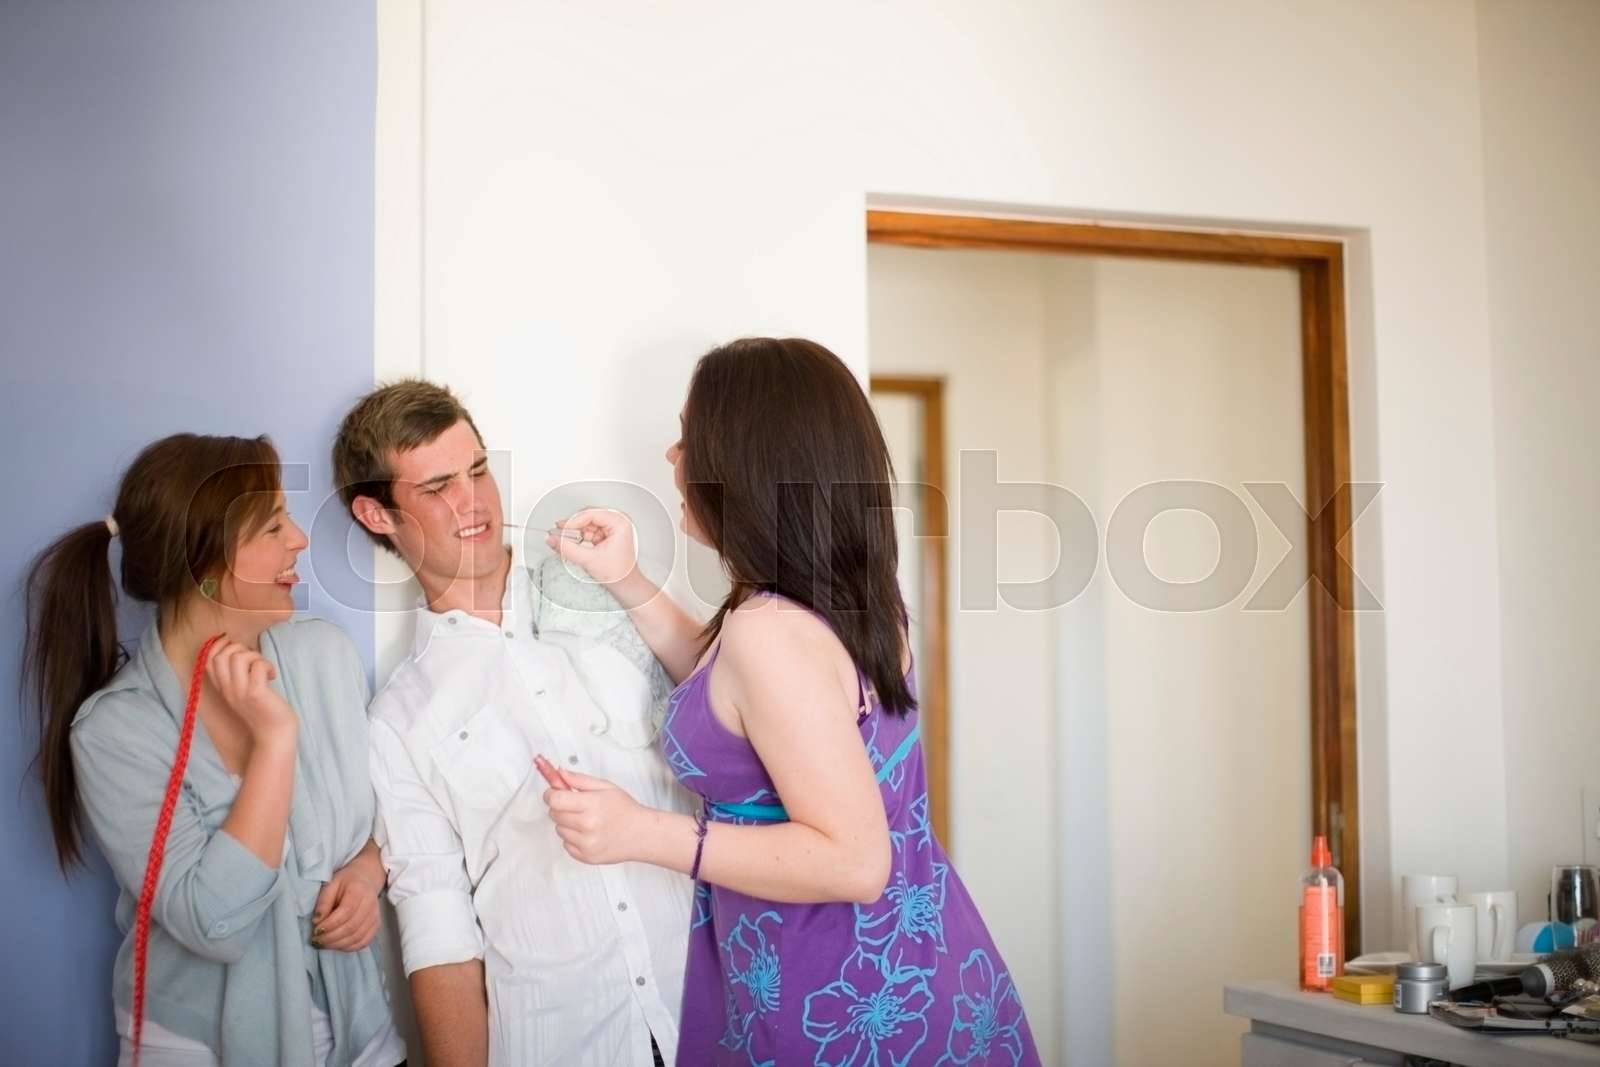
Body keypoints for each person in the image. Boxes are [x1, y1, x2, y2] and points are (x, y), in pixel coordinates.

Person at [542, 337, 1042, 1066]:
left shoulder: (769, 634)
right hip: (922, 974)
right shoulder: (845, 595)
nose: (672, 458)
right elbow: (743, 706)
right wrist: (629, 579)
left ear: (742, 469)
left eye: (689, 439)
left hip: (835, 1002)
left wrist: (638, 832)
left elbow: (854, 862)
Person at [334, 380, 695, 1066]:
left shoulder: (608, 590)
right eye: (437, 486)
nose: (473, 501)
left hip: (712, 1016)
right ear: (377, 515)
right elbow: (437, 927)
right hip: (563, 1037)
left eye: (477, 470)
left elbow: (723, 700)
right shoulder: (398, 719)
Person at [22, 433, 405, 1067]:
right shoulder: (117, 731)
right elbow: (212, 922)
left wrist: (367, 874)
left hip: (359, 1036)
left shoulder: (324, 655)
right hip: (198, 1046)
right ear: (205, 562)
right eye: (273, 526)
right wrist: (275, 742)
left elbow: (390, 811)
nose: (300, 542)